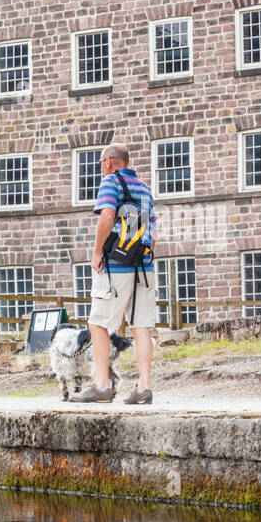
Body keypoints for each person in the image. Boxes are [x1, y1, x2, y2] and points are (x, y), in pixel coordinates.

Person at [71, 143, 156, 405]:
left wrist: (97, 252)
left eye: (100, 163)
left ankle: (102, 386)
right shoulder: (144, 187)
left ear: (109, 162)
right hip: (144, 267)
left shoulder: (110, 182)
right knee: (141, 326)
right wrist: (145, 257)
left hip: (116, 267)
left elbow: (107, 215)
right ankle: (143, 388)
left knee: (98, 324)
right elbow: (152, 230)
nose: (100, 168)